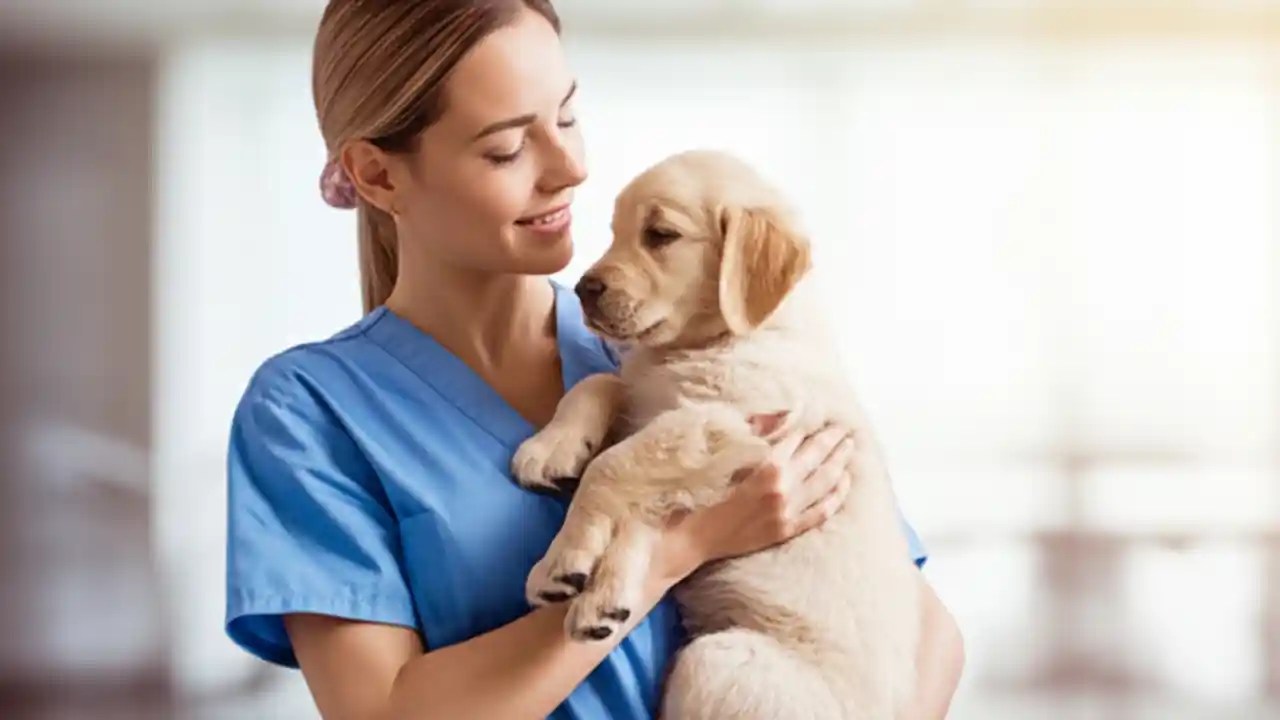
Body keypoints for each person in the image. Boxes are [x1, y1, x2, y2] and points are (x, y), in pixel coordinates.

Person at [224, 2, 964, 718]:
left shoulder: (679, 345)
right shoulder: (309, 413)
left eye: (569, 116)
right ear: (380, 177)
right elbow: (381, 713)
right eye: (507, 148)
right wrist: (673, 551)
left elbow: (926, 637)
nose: (570, 167)